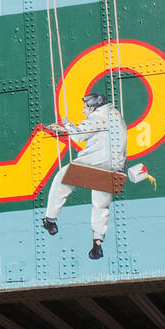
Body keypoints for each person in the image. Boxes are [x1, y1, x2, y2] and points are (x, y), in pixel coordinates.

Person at [41, 92, 127, 259]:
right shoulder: (115, 115)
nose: (83, 111)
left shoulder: (100, 115)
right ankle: (97, 244)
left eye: (85, 107)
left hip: (96, 165)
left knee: (62, 179)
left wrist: (66, 124)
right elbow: (94, 131)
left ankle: (50, 220)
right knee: (101, 206)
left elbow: (80, 136)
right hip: (116, 170)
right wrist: (63, 129)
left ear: (93, 106)